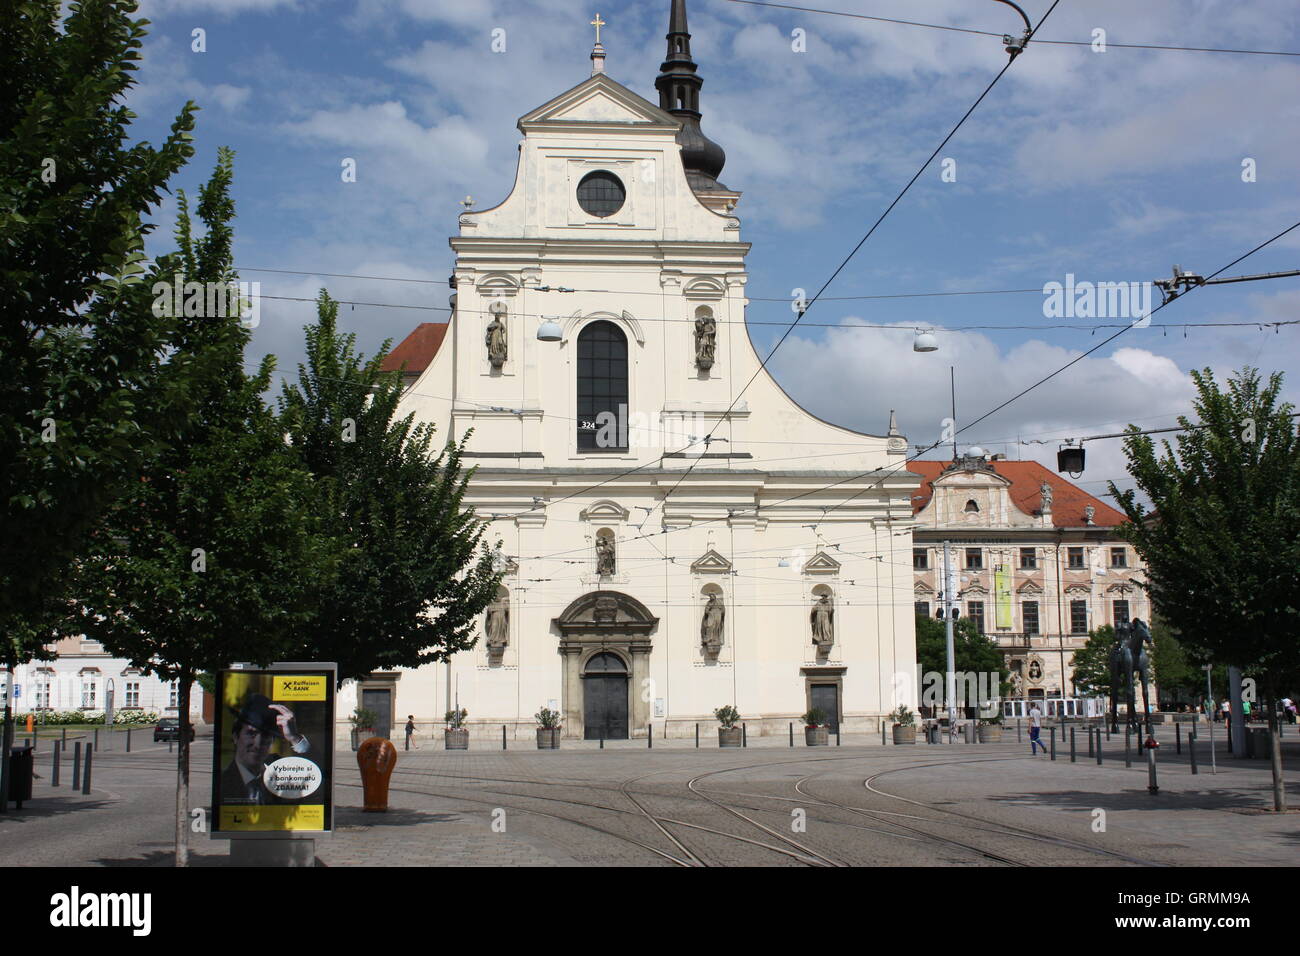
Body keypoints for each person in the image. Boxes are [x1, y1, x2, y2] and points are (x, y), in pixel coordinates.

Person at [220, 693, 312, 804]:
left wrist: (294, 737)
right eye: (251, 733)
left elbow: (314, 774)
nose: (258, 744)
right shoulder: (223, 782)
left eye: (266, 735)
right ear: (235, 737)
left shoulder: (280, 769)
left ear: (272, 741)